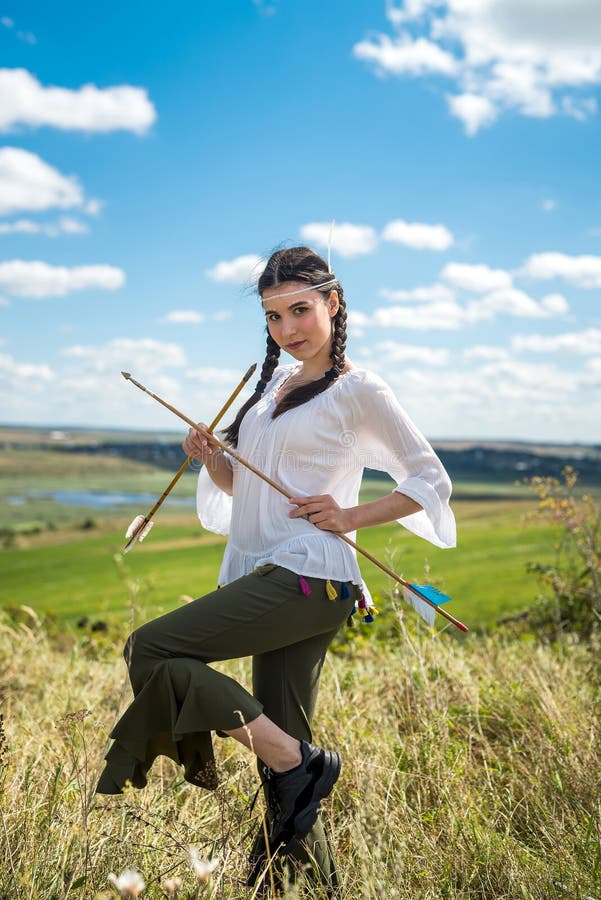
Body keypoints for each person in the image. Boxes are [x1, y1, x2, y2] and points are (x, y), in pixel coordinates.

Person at [96, 246, 456, 894]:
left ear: (332, 303)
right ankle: (310, 881)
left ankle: (300, 763)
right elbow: (244, 489)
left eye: (299, 310)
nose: (288, 329)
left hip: (310, 576)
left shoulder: (358, 388)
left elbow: (430, 480)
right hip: (265, 572)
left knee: (150, 648)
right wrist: (210, 458)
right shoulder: (268, 392)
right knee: (278, 755)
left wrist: (350, 514)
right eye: (273, 316)